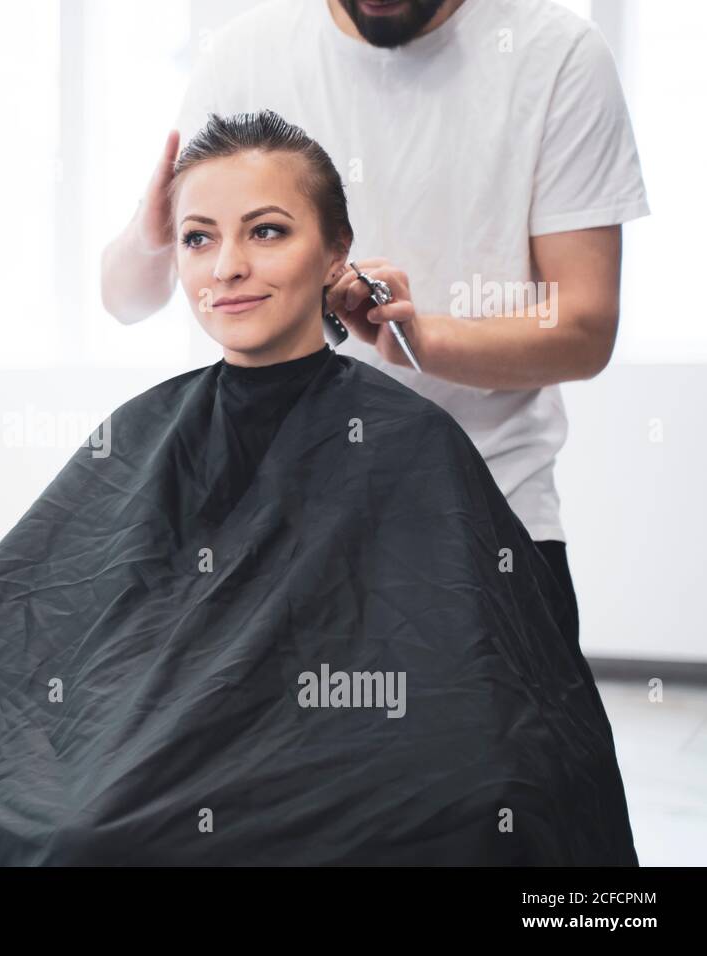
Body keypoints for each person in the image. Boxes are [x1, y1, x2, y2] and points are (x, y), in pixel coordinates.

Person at [0, 112, 636, 866]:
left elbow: (470, 708)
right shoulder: (149, 429)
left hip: (319, 756)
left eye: (266, 232)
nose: (226, 267)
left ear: (335, 249)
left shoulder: (406, 439)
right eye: (198, 238)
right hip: (159, 743)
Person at [100, 0, 650, 671]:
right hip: (272, 529)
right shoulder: (246, 56)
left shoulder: (556, 55)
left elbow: (585, 330)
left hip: (487, 516)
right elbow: (126, 298)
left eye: (268, 230)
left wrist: (422, 340)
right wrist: (153, 233)